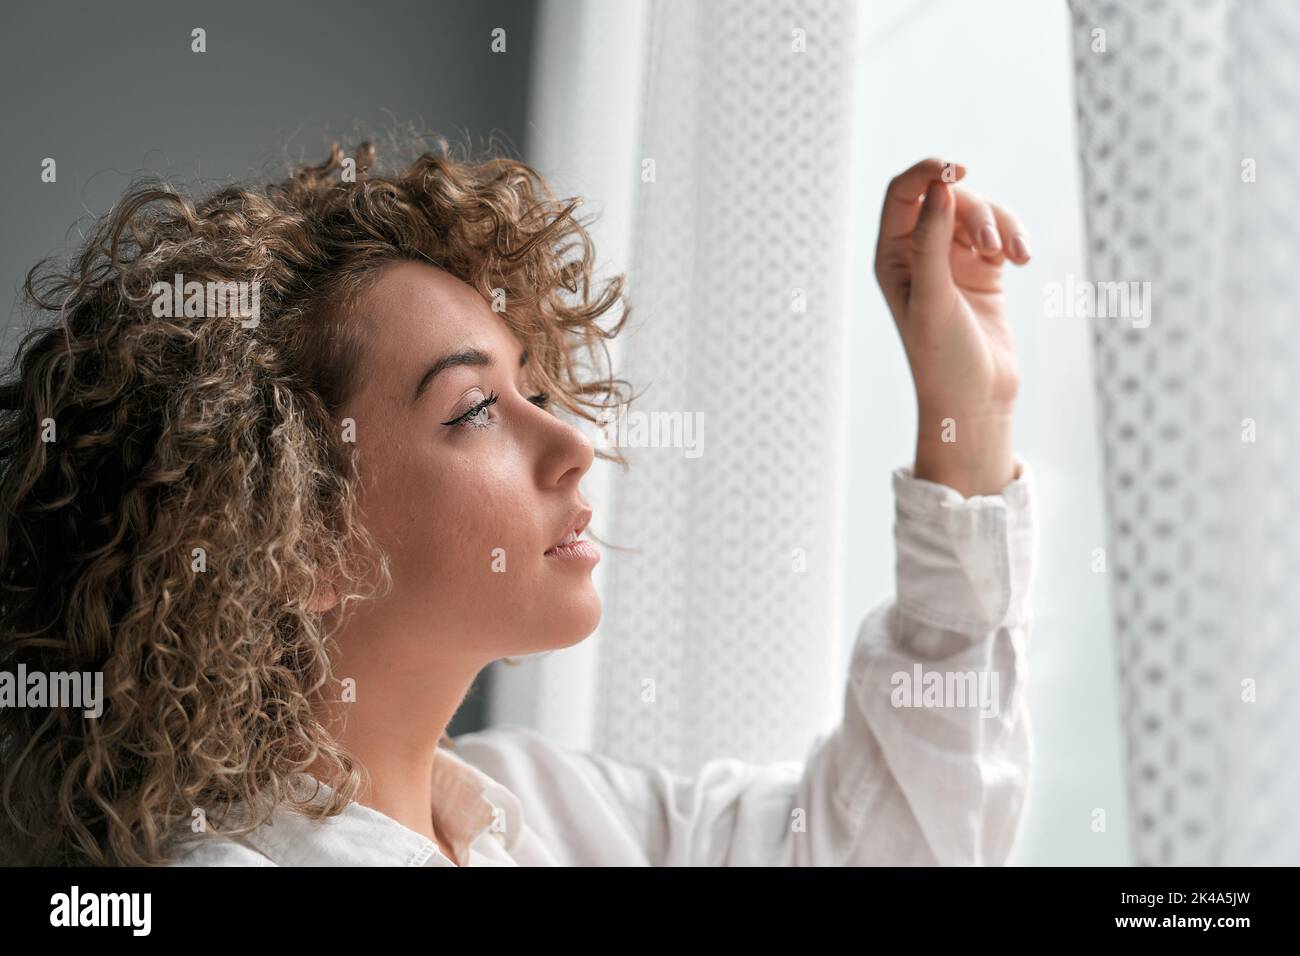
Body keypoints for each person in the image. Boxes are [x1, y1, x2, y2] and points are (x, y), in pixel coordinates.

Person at [0, 140, 1035, 866]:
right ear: (292, 534)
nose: (574, 444)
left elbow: (882, 843)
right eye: (474, 410)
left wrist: (966, 411)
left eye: (533, 388)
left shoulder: (544, 811)